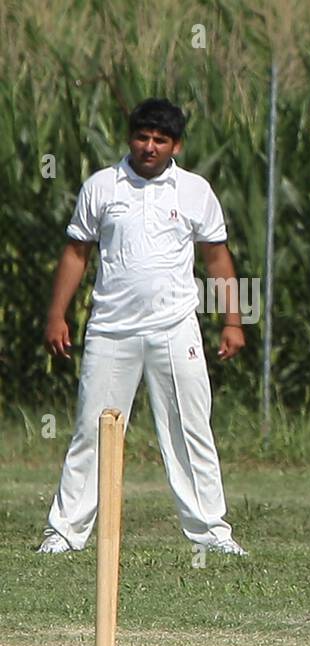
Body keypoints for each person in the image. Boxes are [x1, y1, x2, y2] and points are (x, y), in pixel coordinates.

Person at [38, 98, 248, 556]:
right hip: (112, 329)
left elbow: (217, 258)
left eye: (160, 140)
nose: (149, 147)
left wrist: (233, 320)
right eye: (142, 137)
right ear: (130, 138)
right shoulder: (102, 187)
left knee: (189, 428)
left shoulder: (194, 191)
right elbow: (77, 252)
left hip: (176, 329)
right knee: (94, 429)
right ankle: (65, 533)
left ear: (176, 144)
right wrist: (56, 314)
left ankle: (211, 535)